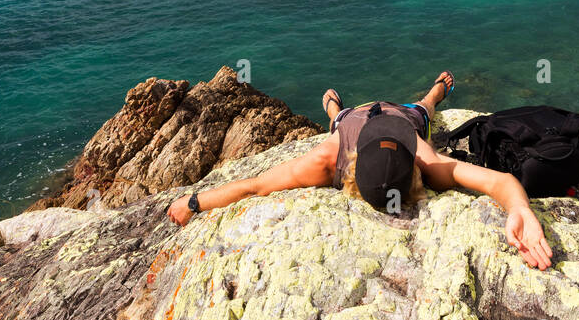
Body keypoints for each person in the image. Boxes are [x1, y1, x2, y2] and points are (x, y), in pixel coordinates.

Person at [166, 71, 553, 269]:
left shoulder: (328, 158)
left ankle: (333, 105)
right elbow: (500, 183)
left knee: (337, 118)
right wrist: (519, 209)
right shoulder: (422, 156)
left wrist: (195, 201)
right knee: (423, 109)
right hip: (403, 116)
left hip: (352, 119)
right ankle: (437, 89)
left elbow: (254, 187)